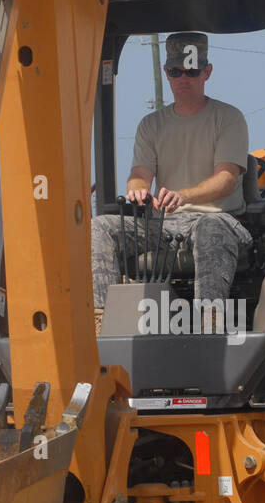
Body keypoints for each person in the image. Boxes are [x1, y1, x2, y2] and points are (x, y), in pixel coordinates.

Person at [92, 32, 252, 325]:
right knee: (100, 227)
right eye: (176, 71)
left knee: (210, 228)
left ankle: (210, 321)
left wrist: (184, 196)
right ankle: (102, 321)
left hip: (219, 220)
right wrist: (138, 191)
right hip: (164, 224)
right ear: (166, 73)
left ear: (207, 72)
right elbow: (140, 174)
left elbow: (226, 179)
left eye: (191, 71)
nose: (183, 78)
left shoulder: (228, 119)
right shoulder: (151, 125)